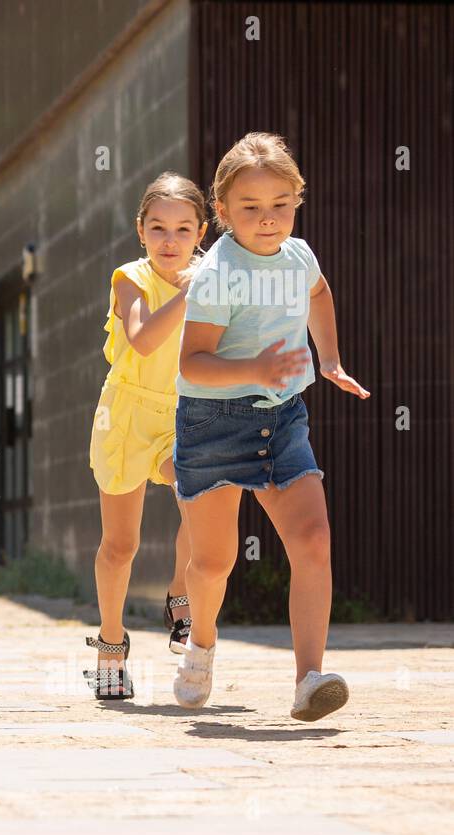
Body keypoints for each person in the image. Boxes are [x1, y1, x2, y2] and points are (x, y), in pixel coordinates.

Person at [172, 132, 369, 720]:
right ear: (223, 212)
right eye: (251, 207)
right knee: (212, 563)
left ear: (297, 200)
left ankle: (309, 678)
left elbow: (320, 294)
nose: (268, 218)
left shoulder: (300, 256)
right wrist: (256, 365)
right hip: (213, 423)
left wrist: (327, 357)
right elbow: (191, 364)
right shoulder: (217, 273)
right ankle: (201, 646)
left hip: (284, 417)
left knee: (313, 540)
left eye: (280, 203)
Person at [85, 172, 208, 699]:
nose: (170, 240)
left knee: (200, 505)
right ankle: (111, 646)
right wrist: (189, 295)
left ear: (201, 230)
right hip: (128, 413)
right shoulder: (129, 278)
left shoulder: (212, 277)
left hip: (186, 413)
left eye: (183, 229)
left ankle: (180, 599)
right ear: (141, 230)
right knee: (120, 545)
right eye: (158, 228)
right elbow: (142, 339)